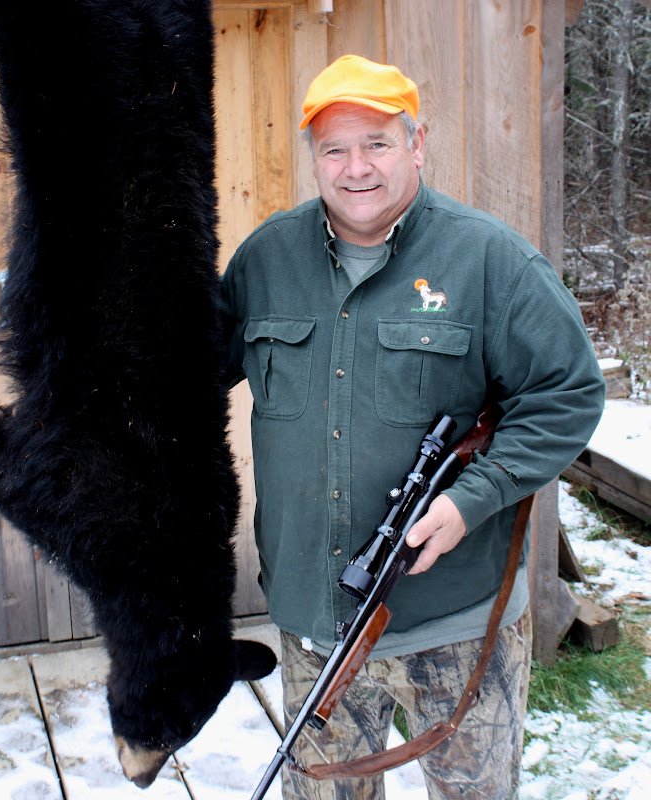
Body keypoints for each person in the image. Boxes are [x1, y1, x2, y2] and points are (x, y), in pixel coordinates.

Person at [221, 55, 605, 800]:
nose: (356, 167)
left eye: (378, 143)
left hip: (456, 624)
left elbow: (568, 392)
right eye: (335, 149)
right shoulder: (266, 259)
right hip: (314, 623)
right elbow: (180, 371)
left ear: (417, 143)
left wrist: (469, 500)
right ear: (314, 158)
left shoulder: (490, 259)